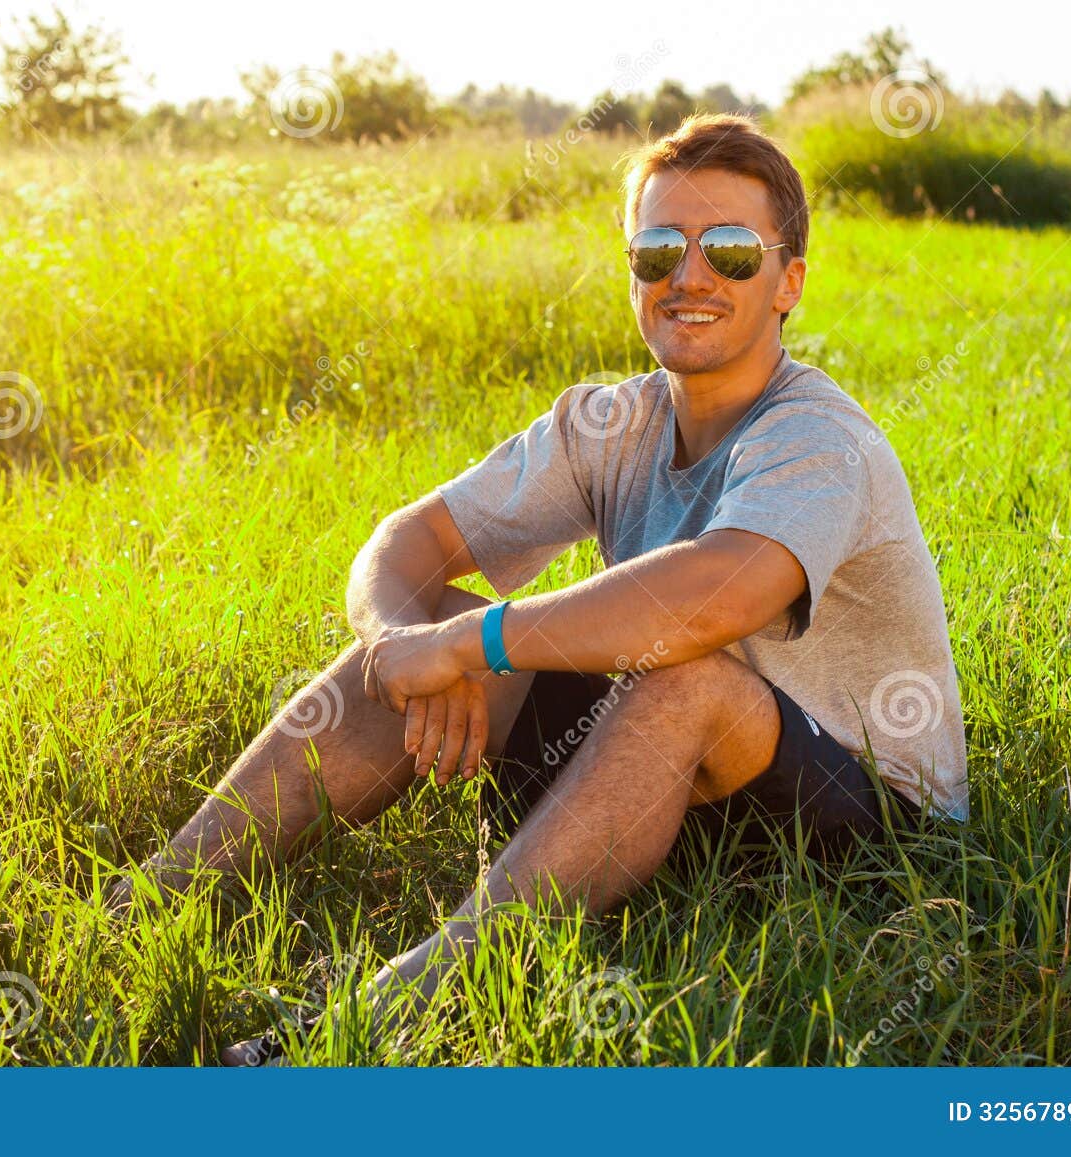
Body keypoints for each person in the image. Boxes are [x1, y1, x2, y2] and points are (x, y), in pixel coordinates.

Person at [105, 112, 969, 1065]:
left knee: (678, 676)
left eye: (728, 250)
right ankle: (142, 911)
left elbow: (717, 596)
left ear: (787, 283)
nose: (688, 277)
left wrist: (476, 647)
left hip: (866, 835)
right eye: (655, 250)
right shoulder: (608, 421)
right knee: (431, 613)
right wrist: (405, 642)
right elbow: (409, 538)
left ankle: (390, 1011)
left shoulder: (814, 436)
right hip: (670, 796)